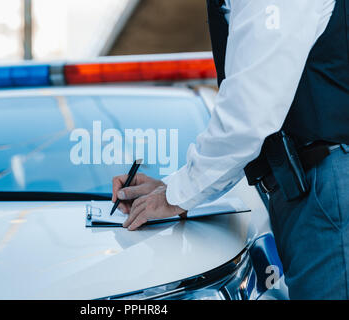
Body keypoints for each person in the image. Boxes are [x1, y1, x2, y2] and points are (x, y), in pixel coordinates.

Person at [112, 0, 349, 299]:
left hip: (325, 187)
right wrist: (171, 189)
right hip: (315, 186)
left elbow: (249, 112)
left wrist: (176, 195)